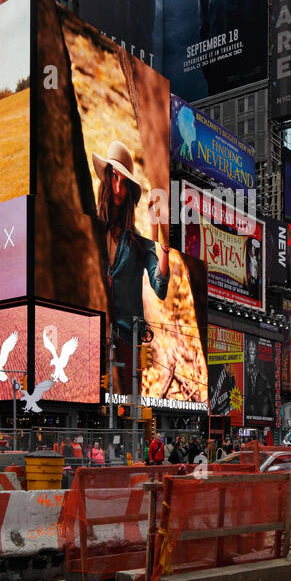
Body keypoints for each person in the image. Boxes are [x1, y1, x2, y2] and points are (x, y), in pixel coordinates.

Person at [95, 141, 171, 393]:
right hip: (93, 335)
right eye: (114, 177)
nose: (117, 187)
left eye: (124, 182)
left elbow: (160, 286)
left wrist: (163, 246)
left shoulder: (137, 240)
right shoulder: (92, 228)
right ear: (107, 178)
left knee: (127, 407)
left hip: (126, 339)